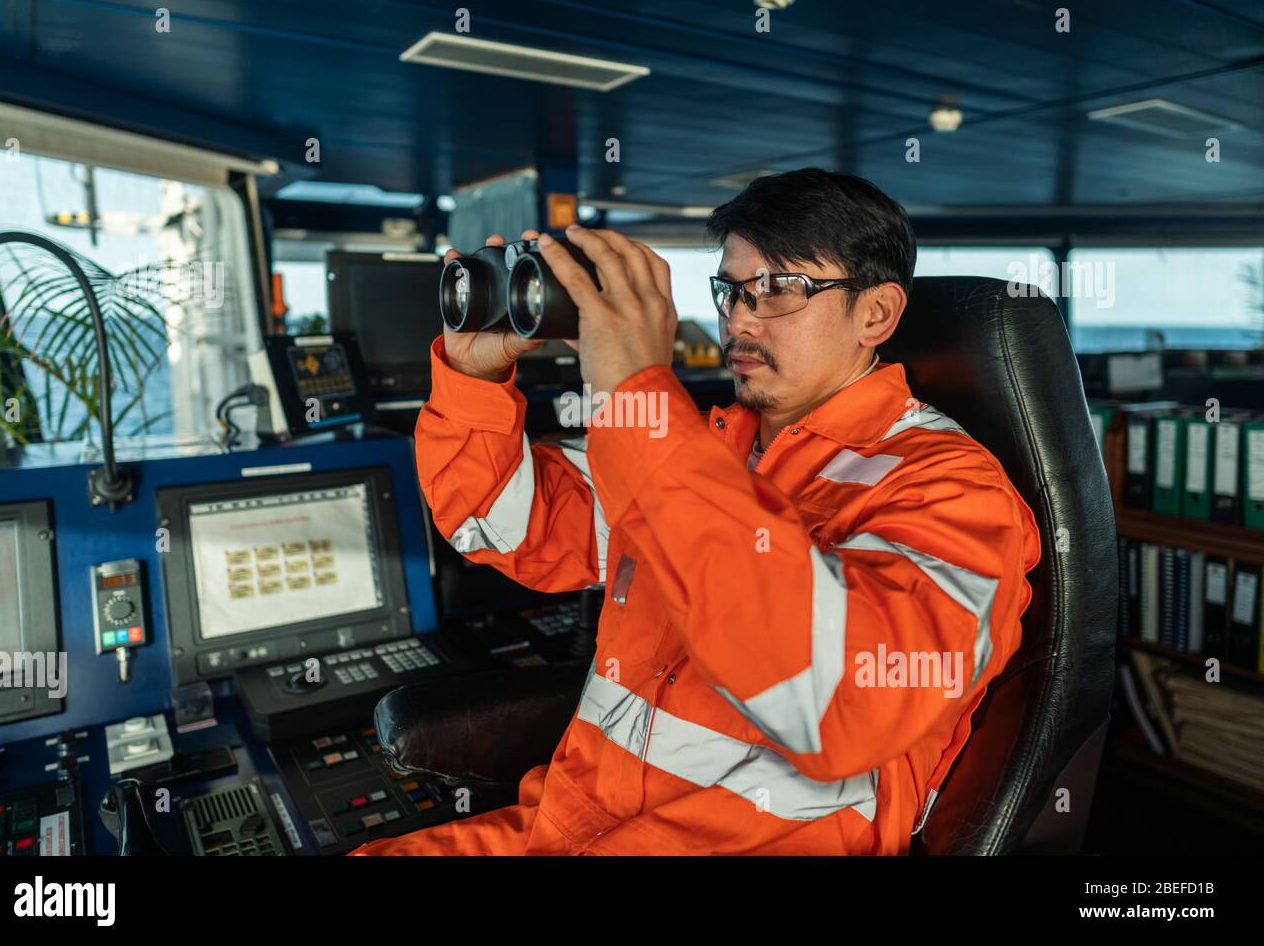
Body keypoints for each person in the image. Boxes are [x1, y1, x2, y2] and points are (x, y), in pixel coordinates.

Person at [351, 168, 1040, 855]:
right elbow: (498, 523)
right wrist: (476, 378)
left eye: (777, 288)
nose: (739, 317)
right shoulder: (702, 444)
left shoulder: (954, 491)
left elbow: (842, 702)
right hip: (564, 823)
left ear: (876, 314)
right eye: (731, 289)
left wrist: (633, 393)